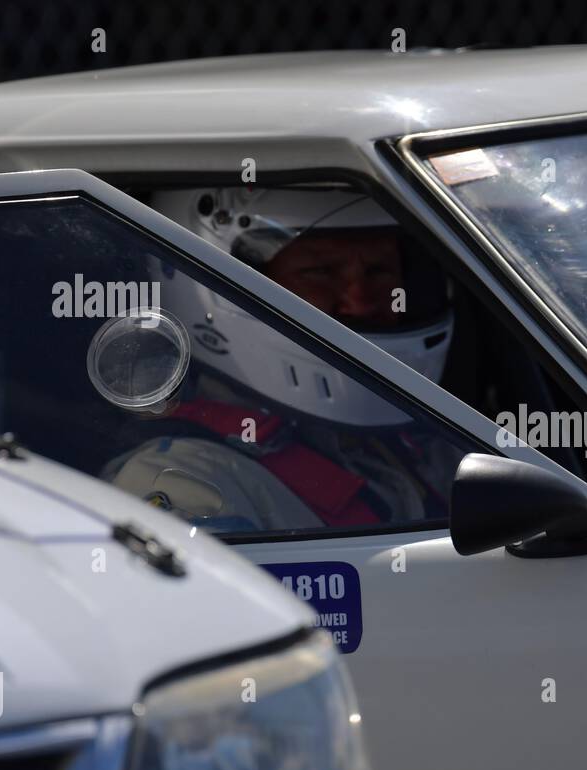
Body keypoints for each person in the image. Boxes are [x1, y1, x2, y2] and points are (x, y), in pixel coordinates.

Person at [95, 187, 464, 533]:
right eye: (321, 272)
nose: (362, 301)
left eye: (379, 271)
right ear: (218, 287)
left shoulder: (418, 440)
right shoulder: (180, 478)